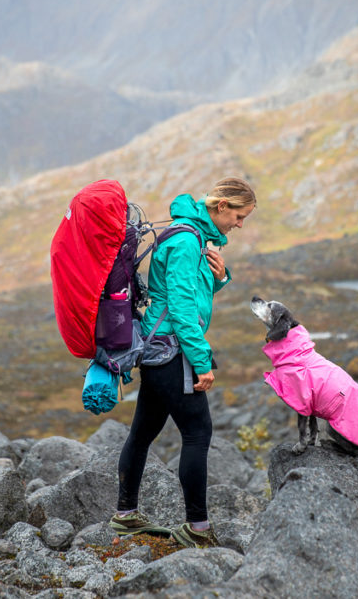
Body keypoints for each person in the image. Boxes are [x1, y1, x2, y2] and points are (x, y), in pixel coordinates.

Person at [110, 177, 256, 548]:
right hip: (172, 350)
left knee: (142, 433)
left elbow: (186, 293)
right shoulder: (187, 242)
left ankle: (126, 515)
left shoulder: (190, 235)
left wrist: (219, 279)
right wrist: (202, 361)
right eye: (239, 216)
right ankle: (197, 528)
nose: (240, 224)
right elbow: (181, 308)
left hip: (159, 350)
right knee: (197, 432)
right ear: (221, 206)